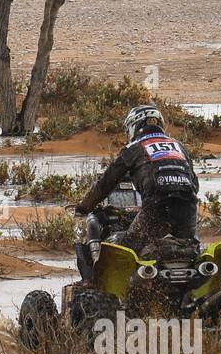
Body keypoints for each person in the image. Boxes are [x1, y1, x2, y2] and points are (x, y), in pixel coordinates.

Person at [74, 104, 200, 253]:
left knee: (126, 249)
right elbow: (194, 184)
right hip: (188, 207)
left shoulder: (133, 148)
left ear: (133, 126)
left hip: (156, 208)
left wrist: (83, 207)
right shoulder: (179, 146)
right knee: (187, 247)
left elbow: (106, 183)